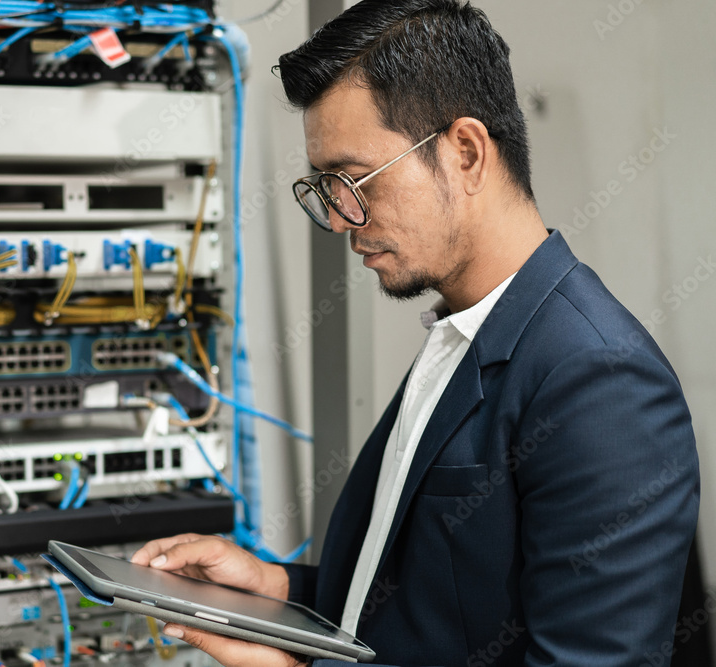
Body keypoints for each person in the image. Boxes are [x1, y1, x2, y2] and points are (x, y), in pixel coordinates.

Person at [132, 1, 700, 665]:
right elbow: (426, 609)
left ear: (465, 152)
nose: (342, 219)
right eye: (324, 187)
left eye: (353, 179)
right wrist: (278, 588)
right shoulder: (465, 332)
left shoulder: (600, 381)